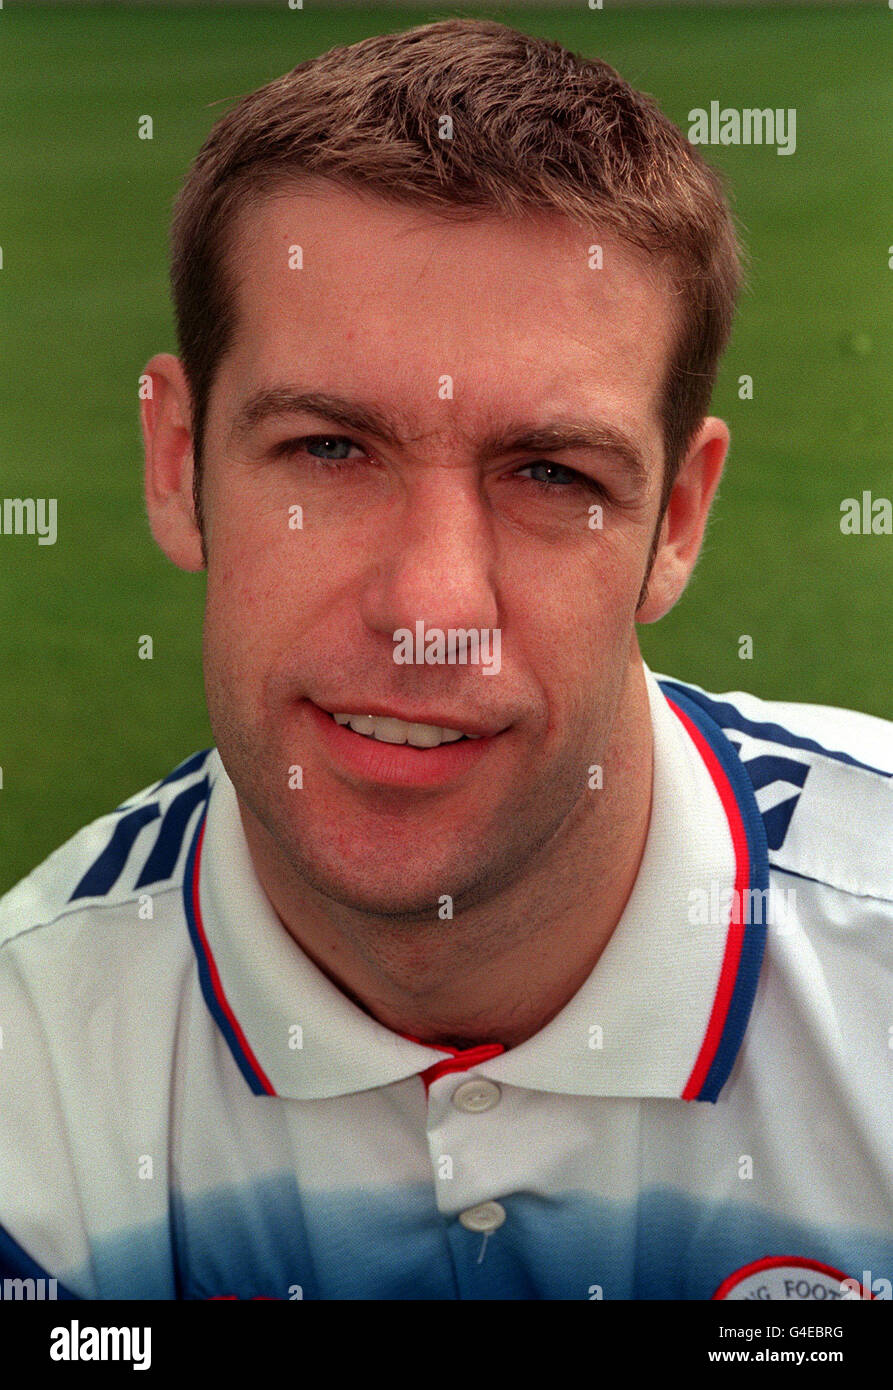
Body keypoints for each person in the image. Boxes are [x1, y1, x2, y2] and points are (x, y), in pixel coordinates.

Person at [1, 18, 890, 1302]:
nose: (429, 605)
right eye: (327, 450)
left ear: (676, 522)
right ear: (177, 462)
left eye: (548, 473)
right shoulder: (34, 1083)